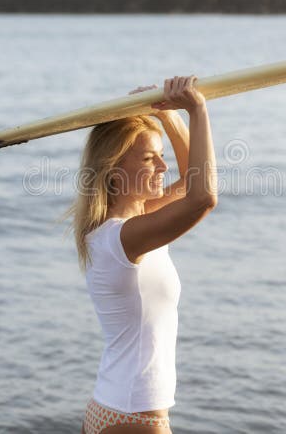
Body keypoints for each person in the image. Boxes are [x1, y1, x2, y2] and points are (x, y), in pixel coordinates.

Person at [69, 76, 218, 434]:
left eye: (161, 157)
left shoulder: (126, 224)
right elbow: (203, 196)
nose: (163, 168)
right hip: (135, 415)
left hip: (115, 407)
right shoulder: (123, 237)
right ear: (114, 171)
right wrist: (197, 109)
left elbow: (191, 178)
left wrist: (168, 115)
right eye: (151, 159)